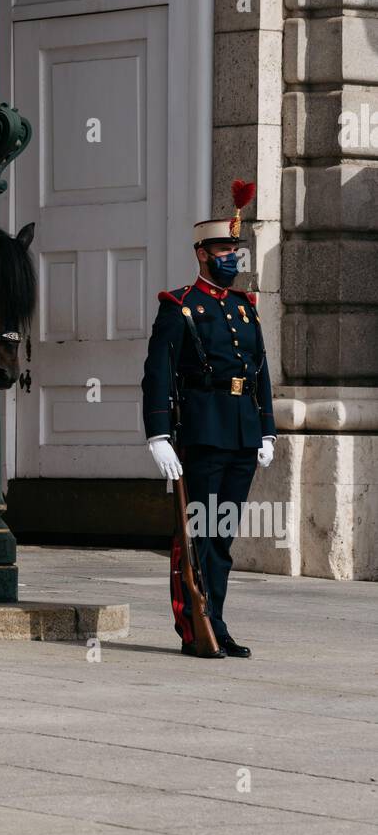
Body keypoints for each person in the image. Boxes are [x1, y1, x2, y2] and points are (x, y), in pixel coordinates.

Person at [141, 180, 276, 658]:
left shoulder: (245, 309)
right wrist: (158, 434)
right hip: (202, 433)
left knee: (222, 537)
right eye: (223, 249)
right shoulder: (179, 306)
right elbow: (157, 374)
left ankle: (216, 623)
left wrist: (267, 429)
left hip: (241, 433)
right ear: (202, 253)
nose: (232, 257)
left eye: (235, 249)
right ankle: (194, 627)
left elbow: (259, 371)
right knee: (197, 534)